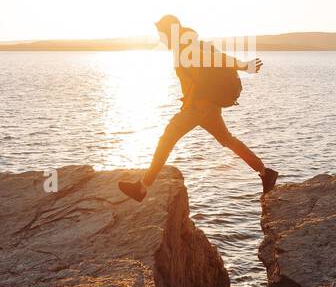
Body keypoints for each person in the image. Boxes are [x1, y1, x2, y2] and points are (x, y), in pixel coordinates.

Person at [118, 15, 277, 201]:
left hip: (198, 108)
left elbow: (217, 58)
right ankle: (266, 173)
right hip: (206, 106)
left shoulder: (188, 48)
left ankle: (143, 187)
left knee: (166, 140)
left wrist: (243, 65)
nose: (160, 38)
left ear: (171, 32)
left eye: (162, 34)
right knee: (227, 140)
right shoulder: (187, 46)